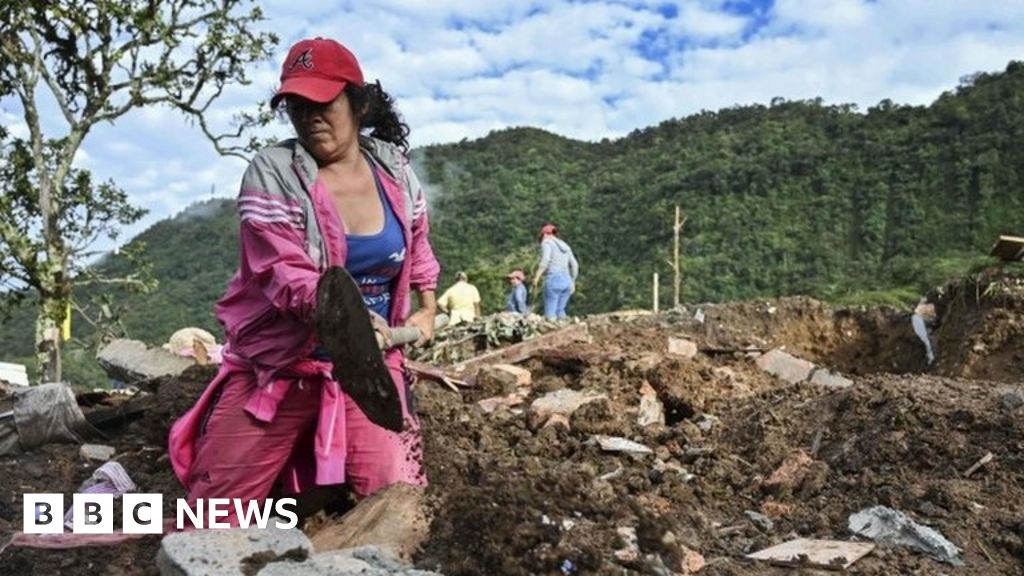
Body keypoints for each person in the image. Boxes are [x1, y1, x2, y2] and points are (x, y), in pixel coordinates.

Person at [167, 37, 440, 526]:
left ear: (357, 103)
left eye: (322, 102)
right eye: (296, 104)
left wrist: (427, 306)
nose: (309, 115)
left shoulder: (395, 171)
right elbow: (283, 272)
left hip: (369, 372)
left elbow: (418, 246)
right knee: (211, 519)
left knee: (403, 504)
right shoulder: (273, 172)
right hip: (281, 369)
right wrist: (348, 322)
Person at [532, 224, 579, 321]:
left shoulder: (547, 242)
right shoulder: (566, 246)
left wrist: (536, 277)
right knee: (560, 311)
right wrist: (573, 282)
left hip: (554, 279)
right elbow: (575, 265)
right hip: (567, 280)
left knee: (550, 315)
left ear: (545, 234)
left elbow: (545, 260)